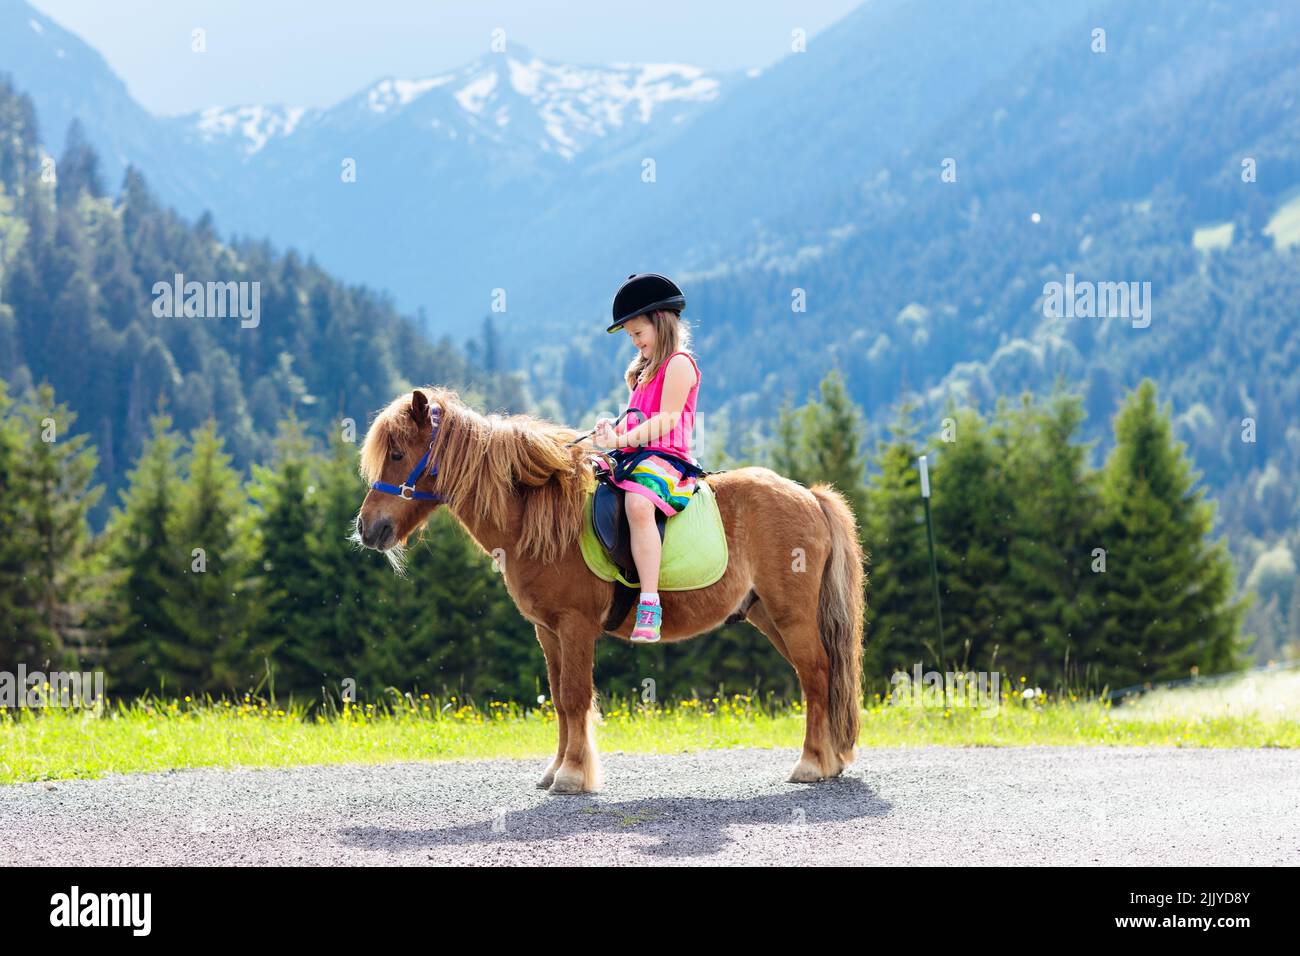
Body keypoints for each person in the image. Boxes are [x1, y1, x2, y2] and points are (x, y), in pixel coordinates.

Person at [592, 273, 705, 644]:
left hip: (667, 458)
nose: (635, 342)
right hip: (635, 453)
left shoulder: (679, 364)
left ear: (660, 322)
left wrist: (622, 437)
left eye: (638, 333)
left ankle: (650, 602)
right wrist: (613, 431)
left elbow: (666, 419)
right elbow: (638, 417)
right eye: (630, 337)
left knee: (640, 504)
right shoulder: (643, 371)